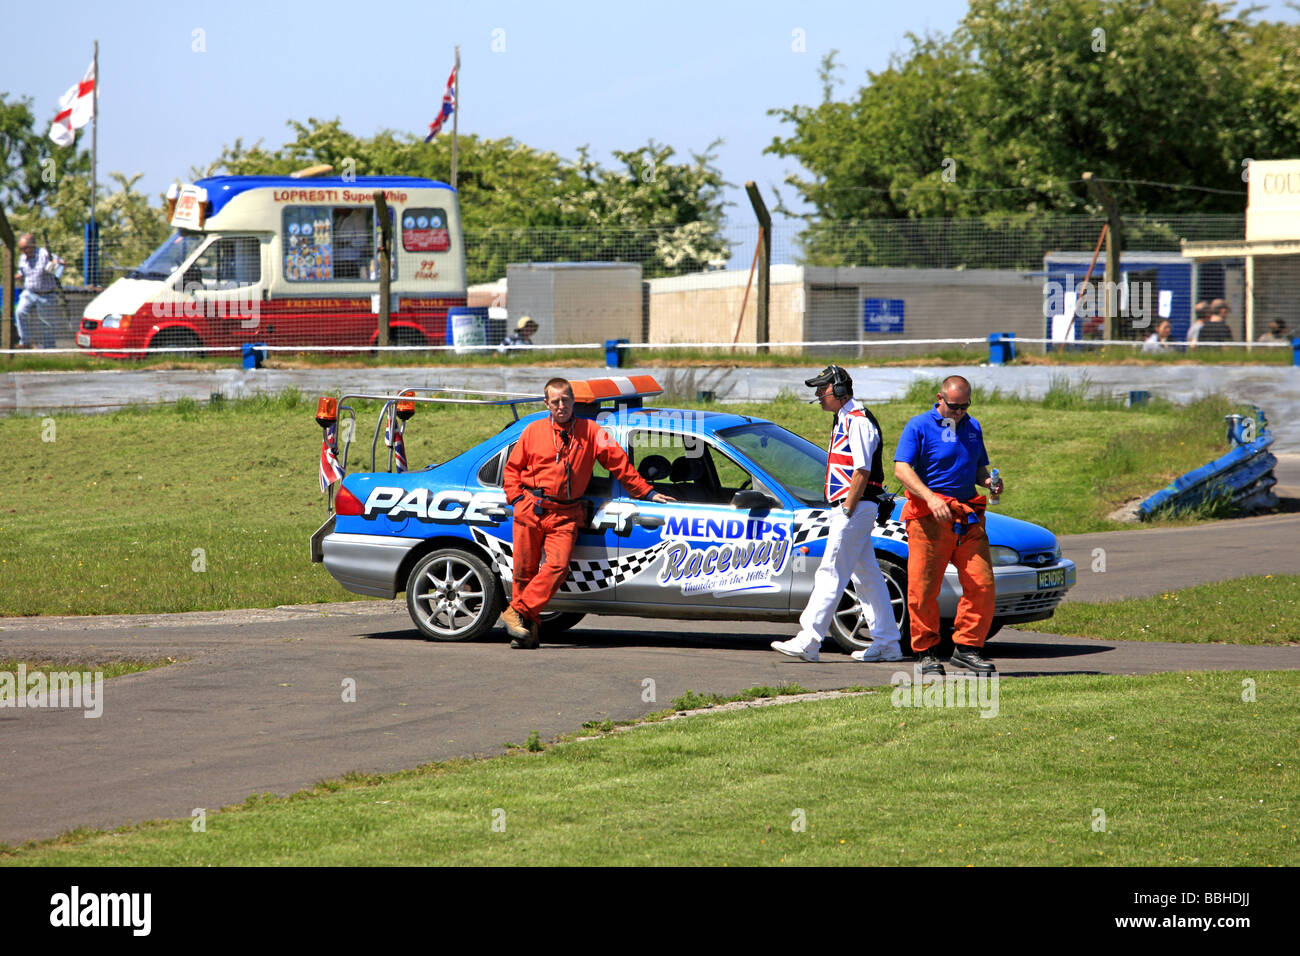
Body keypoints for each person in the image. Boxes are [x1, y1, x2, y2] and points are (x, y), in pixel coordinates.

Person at [501, 377, 673, 648]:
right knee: (524, 572)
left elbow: (620, 464)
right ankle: (525, 634)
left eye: (565, 400)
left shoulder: (591, 431)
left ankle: (517, 611)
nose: (561, 406)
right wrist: (517, 498)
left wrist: (647, 492)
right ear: (547, 403)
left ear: (573, 402)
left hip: (566, 513)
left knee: (557, 567)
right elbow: (511, 470)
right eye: (555, 401)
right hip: (530, 510)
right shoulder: (533, 431)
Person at [771, 366, 905, 663]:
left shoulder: (857, 421)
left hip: (854, 508)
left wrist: (846, 509)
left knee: (830, 571)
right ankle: (887, 642)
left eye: (823, 389)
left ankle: (809, 639)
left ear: (840, 390)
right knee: (866, 576)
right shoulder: (846, 417)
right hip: (854, 508)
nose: (818, 395)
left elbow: (862, 470)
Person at [892, 375, 1002, 676]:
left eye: (965, 406)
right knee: (923, 588)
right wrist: (930, 499)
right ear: (939, 398)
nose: (960, 413)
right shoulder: (919, 425)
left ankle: (967, 649)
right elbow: (901, 468)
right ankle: (925, 653)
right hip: (929, 518)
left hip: (966, 517)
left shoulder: (972, 426)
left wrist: (990, 482)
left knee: (982, 583)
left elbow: (979, 468)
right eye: (954, 406)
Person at [13, 234, 62, 349]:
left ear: (32, 245)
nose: (23, 251)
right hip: (29, 292)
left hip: (46, 294)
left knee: (46, 323)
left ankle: (49, 348)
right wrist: (16, 276)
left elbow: (61, 263)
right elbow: (22, 273)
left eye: (25, 248)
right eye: (20, 249)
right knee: (20, 312)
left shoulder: (44, 254)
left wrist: (56, 263)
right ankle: (24, 342)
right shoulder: (22, 258)